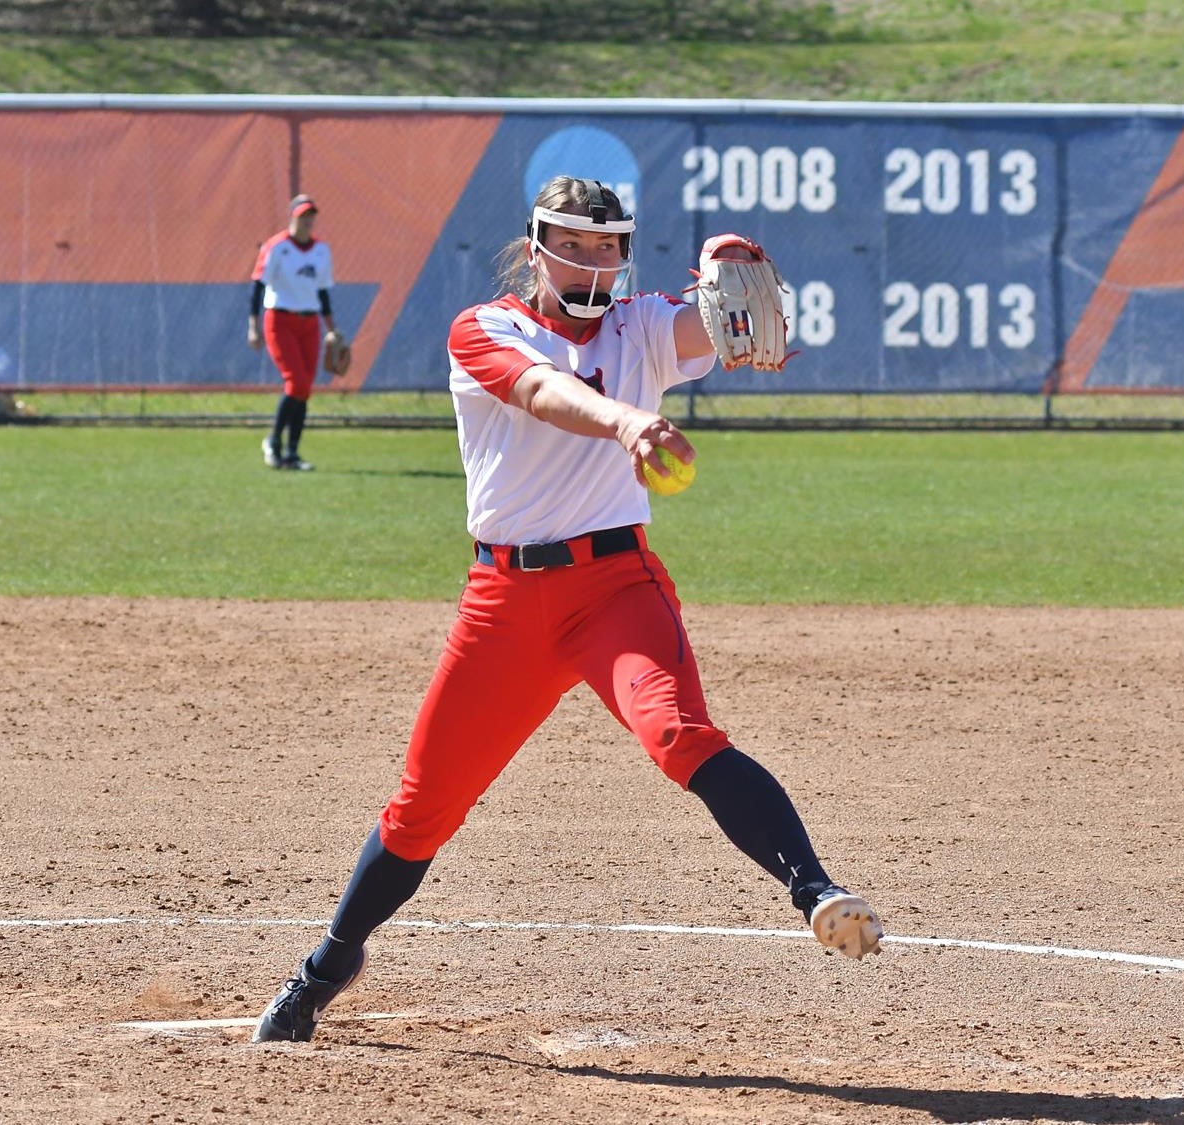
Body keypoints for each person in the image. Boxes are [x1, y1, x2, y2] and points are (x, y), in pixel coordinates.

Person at [250, 177, 883, 1044]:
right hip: (502, 604)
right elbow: (542, 391)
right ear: (536, 243)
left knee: (680, 734)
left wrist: (726, 274)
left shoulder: (644, 326)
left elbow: (718, 320)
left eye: (607, 245)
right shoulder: (485, 328)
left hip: (613, 590)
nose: (591, 260)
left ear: (625, 252)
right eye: (572, 243)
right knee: (421, 809)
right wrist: (627, 422)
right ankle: (327, 965)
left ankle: (815, 890)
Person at [248, 193, 341, 471]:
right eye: (302, 215)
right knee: (296, 382)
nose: (308, 220)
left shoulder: (321, 250)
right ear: (293, 217)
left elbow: (323, 292)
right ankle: (274, 443)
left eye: (311, 215)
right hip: (280, 320)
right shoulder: (276, 247)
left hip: (309, 322)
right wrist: (253, 326)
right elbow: (258, 286)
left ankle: (291, 453)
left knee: (304, 389)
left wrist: (332, 329)